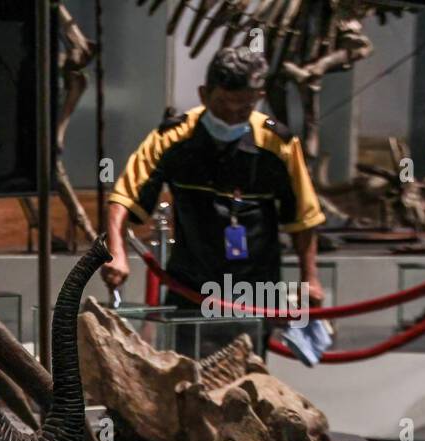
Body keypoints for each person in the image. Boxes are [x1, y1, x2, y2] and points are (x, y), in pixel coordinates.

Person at [101, 47, 325, 355]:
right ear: (204, 94)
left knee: (247, 379)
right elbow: (124, 196)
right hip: (191, 286)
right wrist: (116, 251)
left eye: (242, 108)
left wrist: (309, 278)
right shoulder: (173, 137)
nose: (232, 116)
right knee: (186, 375)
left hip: (254, 288)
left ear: (258, 97)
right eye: (222, 105)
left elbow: (304, 215)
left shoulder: (278, 144)